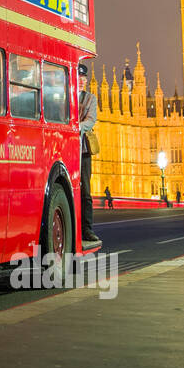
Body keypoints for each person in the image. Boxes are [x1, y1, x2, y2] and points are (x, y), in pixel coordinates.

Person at [77, 64, 101, 248]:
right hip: (63, 150)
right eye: (79, 77)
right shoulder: (63, 96)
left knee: (85, 192)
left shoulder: (90, 99)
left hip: (82, 151)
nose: (82, 81)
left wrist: (75, 127)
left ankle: (87, 229)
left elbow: (91, 120)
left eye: (84, 78)